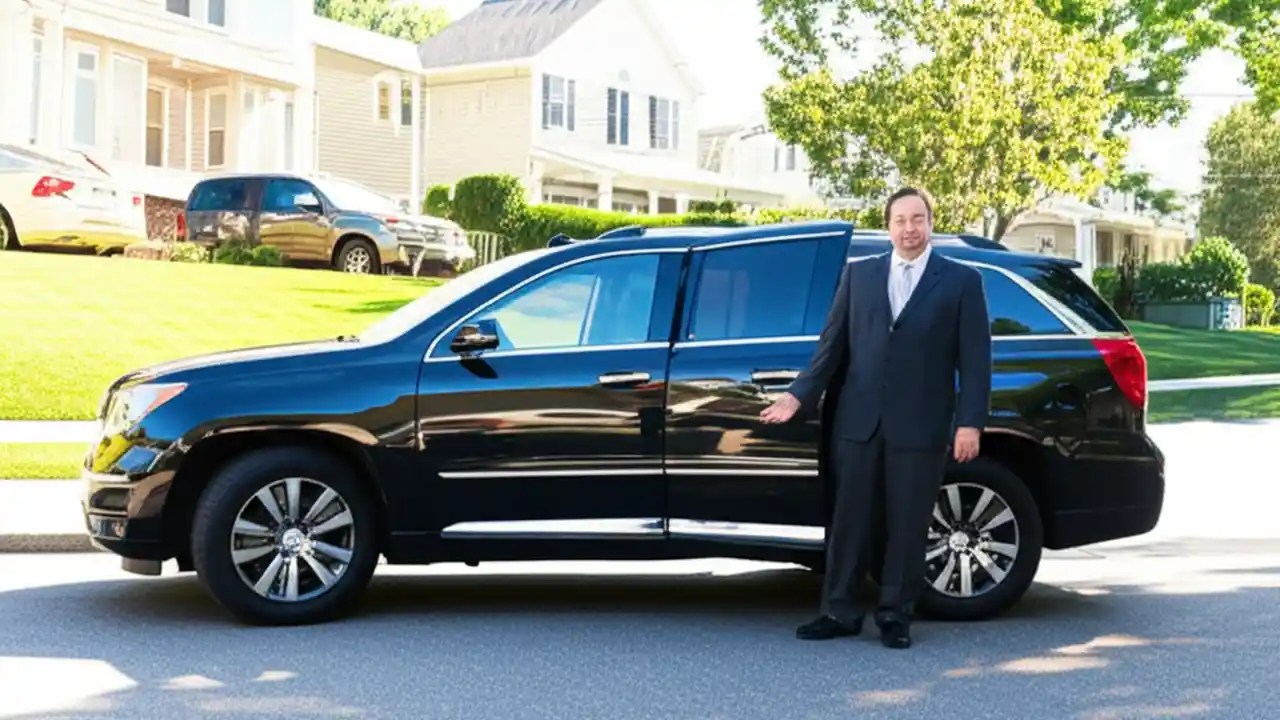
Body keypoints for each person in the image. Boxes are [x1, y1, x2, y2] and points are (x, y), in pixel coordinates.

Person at [760, 187, 992, 649]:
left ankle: (895, 615)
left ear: (931, 223)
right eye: (900, 220)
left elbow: (976, 359)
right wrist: (799, 395)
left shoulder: (961, 281)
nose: (910, 228)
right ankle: (839, 611)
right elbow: (831, 348)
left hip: (920, 424)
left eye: (918, 219)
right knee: (850, 520)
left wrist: (970, 422)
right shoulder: (859, 276)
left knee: (907, 523)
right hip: (859, 422)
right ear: (888, 226)